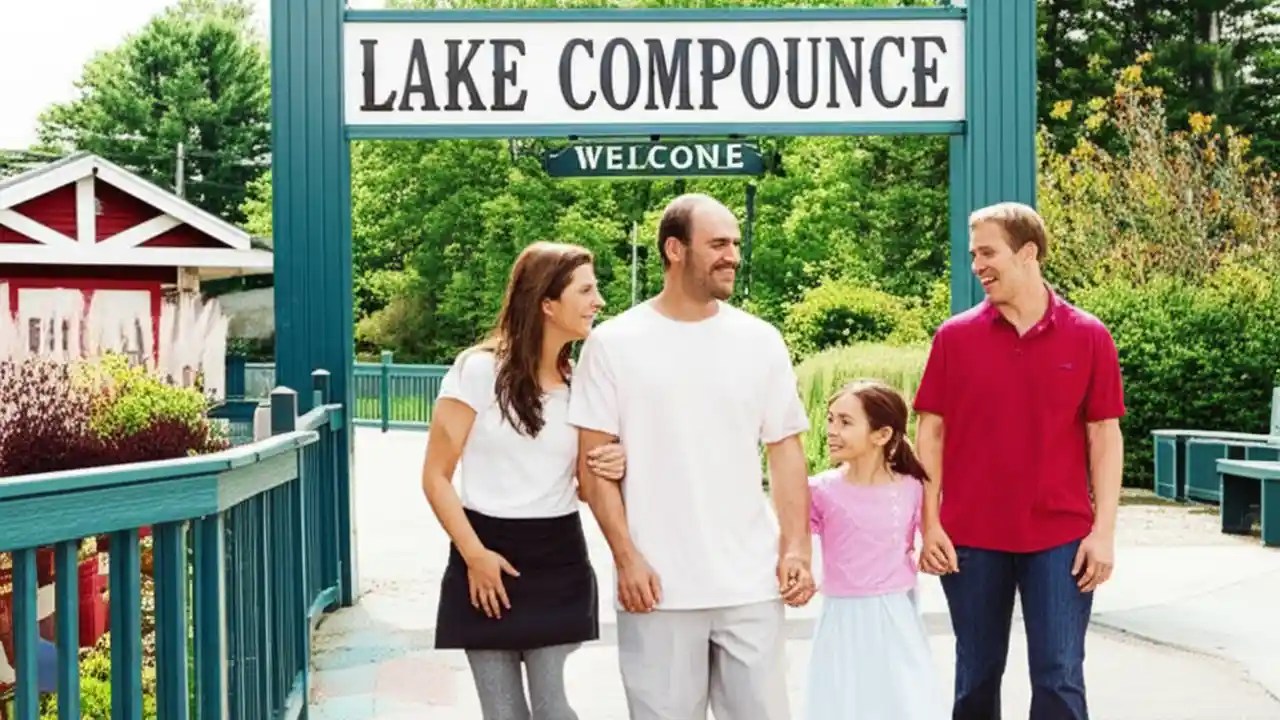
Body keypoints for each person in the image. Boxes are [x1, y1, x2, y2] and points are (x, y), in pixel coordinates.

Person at [568, 193, 815, 720]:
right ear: (674, 250)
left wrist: (796, 549)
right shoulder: (613, 344)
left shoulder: (761, 341)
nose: (733, 255)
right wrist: (626, 558)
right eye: (719, 244)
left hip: (751, 582)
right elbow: (593, 471)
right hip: (657, 587)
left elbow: (787, 452)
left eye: (736, 244)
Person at [913, 202, 1126, 720]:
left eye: (988, 253)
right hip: (971, 537)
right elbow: (931, 432)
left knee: (1059, 677)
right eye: (973, 255)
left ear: (1028, 252)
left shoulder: (1090, 335)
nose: (977, 266)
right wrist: (930, 522)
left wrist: (1104, 532)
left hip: (1061, 539)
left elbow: (1104, 435)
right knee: (976, 678)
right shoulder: (954, 337)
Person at [420, 241, 629, 720]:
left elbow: (584, 479)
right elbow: (435, 476)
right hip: (484, 551)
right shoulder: (476, 372)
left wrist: (618, 459)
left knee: (553, 708)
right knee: (504, 713)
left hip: (557, 556)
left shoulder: (581, 384)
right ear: (547, 303)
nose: (598, 301)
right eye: (586, 290)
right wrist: (475, 556)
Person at [804, 379, 947, 720]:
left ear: (881, 435)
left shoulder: (913, 489)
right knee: (843, 703)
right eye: (830, 419)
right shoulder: (819, 491)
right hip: (841, 618)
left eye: (845, 422)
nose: (831, 430)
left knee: (902, 702)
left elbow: (930, 536)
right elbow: (792, 544)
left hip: (896, 617)